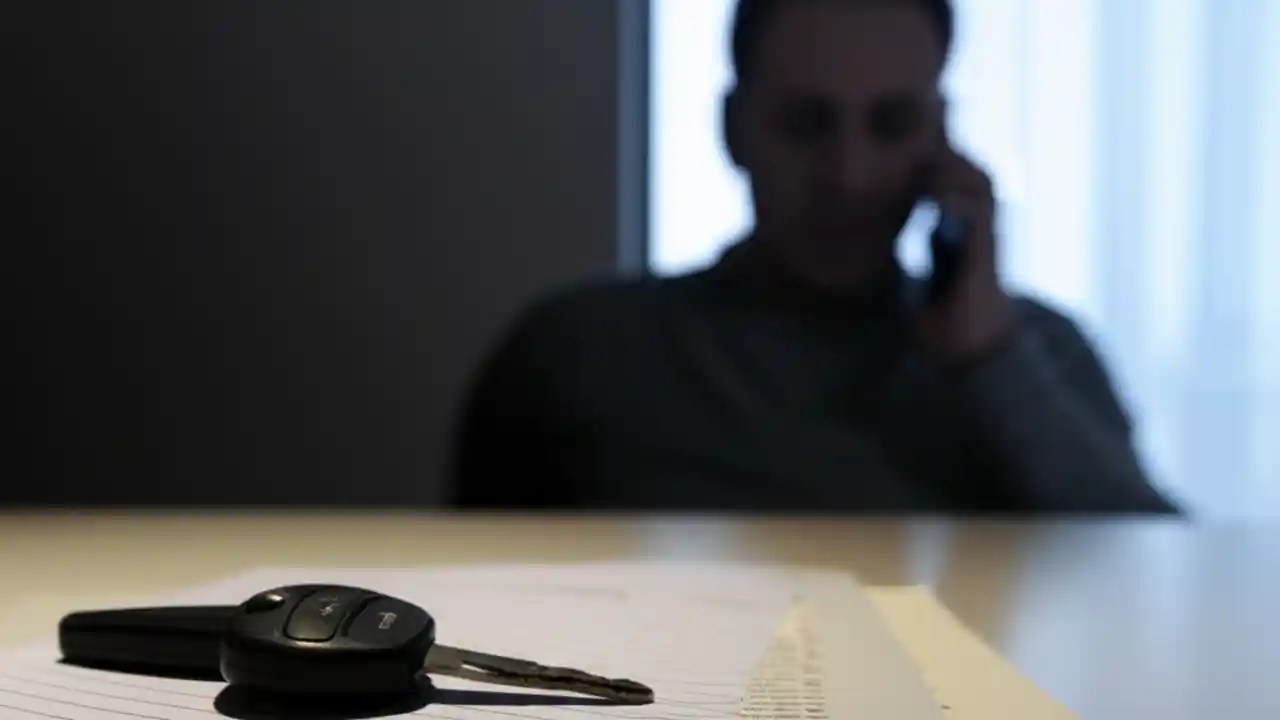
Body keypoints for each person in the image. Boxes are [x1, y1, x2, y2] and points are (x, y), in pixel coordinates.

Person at [452, 0, 1179, 513]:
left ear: (940, 136)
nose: (849, 175)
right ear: (734, 128)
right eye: (805, 124)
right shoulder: (574, 352)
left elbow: (1160, 588)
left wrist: (990, 360)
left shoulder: (1035, 353)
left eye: (892, 123)